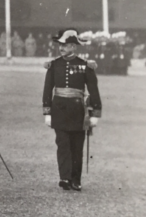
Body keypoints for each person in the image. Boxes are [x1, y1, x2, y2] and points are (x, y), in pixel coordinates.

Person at [43, 29, 102, 191]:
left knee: (76, 147)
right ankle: (65, 178)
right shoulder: (54, 65)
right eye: (60, 44)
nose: (61, 48)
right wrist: (47, 112)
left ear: (74, 47)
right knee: (62, 145)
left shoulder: (85, 66)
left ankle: (76, 179)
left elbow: (94, 90)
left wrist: (95, 114)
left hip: (78, 112)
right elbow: (47, 90)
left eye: (66, 45)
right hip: (59, 110)